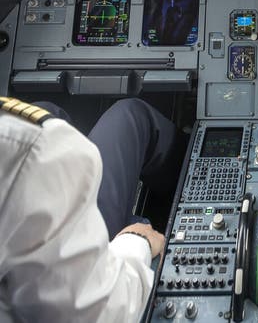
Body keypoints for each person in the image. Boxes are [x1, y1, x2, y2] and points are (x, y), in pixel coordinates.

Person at [0, 95, 188, 322]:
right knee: (130, 115)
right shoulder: (26, 145)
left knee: (47, 112)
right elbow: (95, 313)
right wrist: (138, 241)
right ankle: (193, 171)